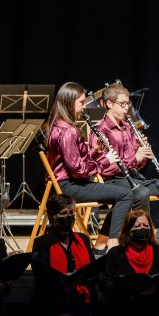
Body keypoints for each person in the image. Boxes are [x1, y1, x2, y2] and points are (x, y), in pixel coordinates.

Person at [91, 84, 159, 246]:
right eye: (122, 104)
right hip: (113, 180)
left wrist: (143, 155)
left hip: (135, 178)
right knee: (142, 193)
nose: (127, 108)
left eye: (128, 104)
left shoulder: (127, 127)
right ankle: (141, 239)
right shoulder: (100, 130)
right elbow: (104, 166)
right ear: (109, 104)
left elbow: (137, 164)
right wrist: (135, 158)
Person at [46, 81, 134, 253]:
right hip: (68, 186)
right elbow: (78, 170)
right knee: (125, 195)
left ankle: (101, 243)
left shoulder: (58, 125)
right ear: (69, 103)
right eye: (81, 103)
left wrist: (95, 151)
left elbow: (77, 160)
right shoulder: (68, 130)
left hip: (66, 183)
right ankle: (112, 243)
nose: (83, 108)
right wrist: (105, 160)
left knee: (123, 195)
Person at [31, 194, 96, 305]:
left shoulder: (83, 239)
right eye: (64, 213)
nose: (69, 216)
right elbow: (41, 277)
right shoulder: (42, 243)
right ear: (52, 217)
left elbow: (94, 269)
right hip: (55, 301)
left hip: (84, 300)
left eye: (71, 213)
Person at [102, 209, 159, 305]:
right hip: (125, 308)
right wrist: (128, 289)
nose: (142, 228)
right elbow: (104, 284)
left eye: (145, 225)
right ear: (128, 230)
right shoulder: (115, 253)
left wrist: (155, 288)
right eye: (137, 226)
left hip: (155, 306)